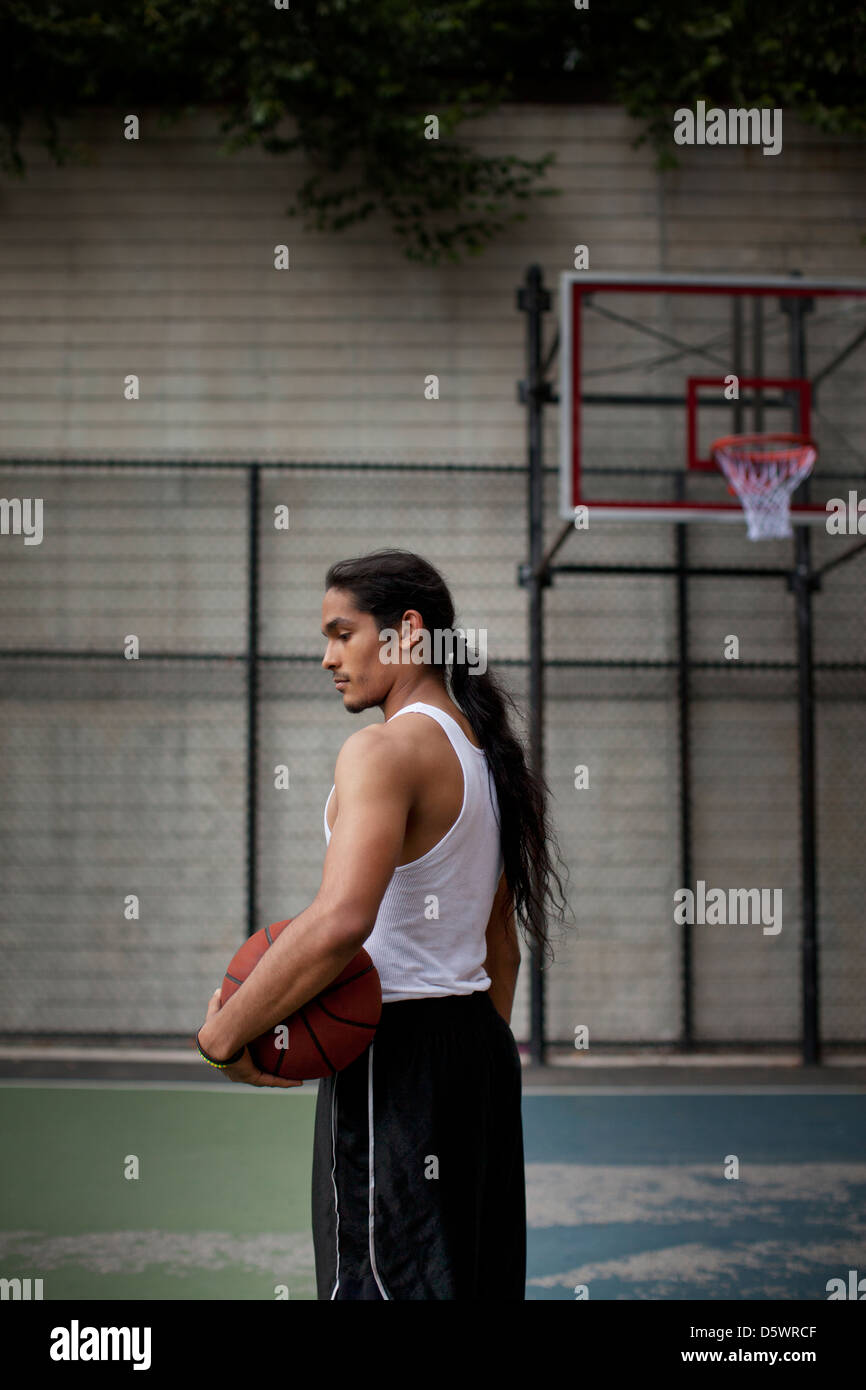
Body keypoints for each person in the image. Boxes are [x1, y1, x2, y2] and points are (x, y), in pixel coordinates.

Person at [196, 548, 569, 1300]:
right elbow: (503, 949)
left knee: (375, 1287)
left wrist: (224, 1034)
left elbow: (340, 923)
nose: (328, 656)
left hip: (392, 1063)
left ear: (404, 633)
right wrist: (471, 1066)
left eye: (342, 633)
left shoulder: (382, 751)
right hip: (477, 1054)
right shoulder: (481, 752)